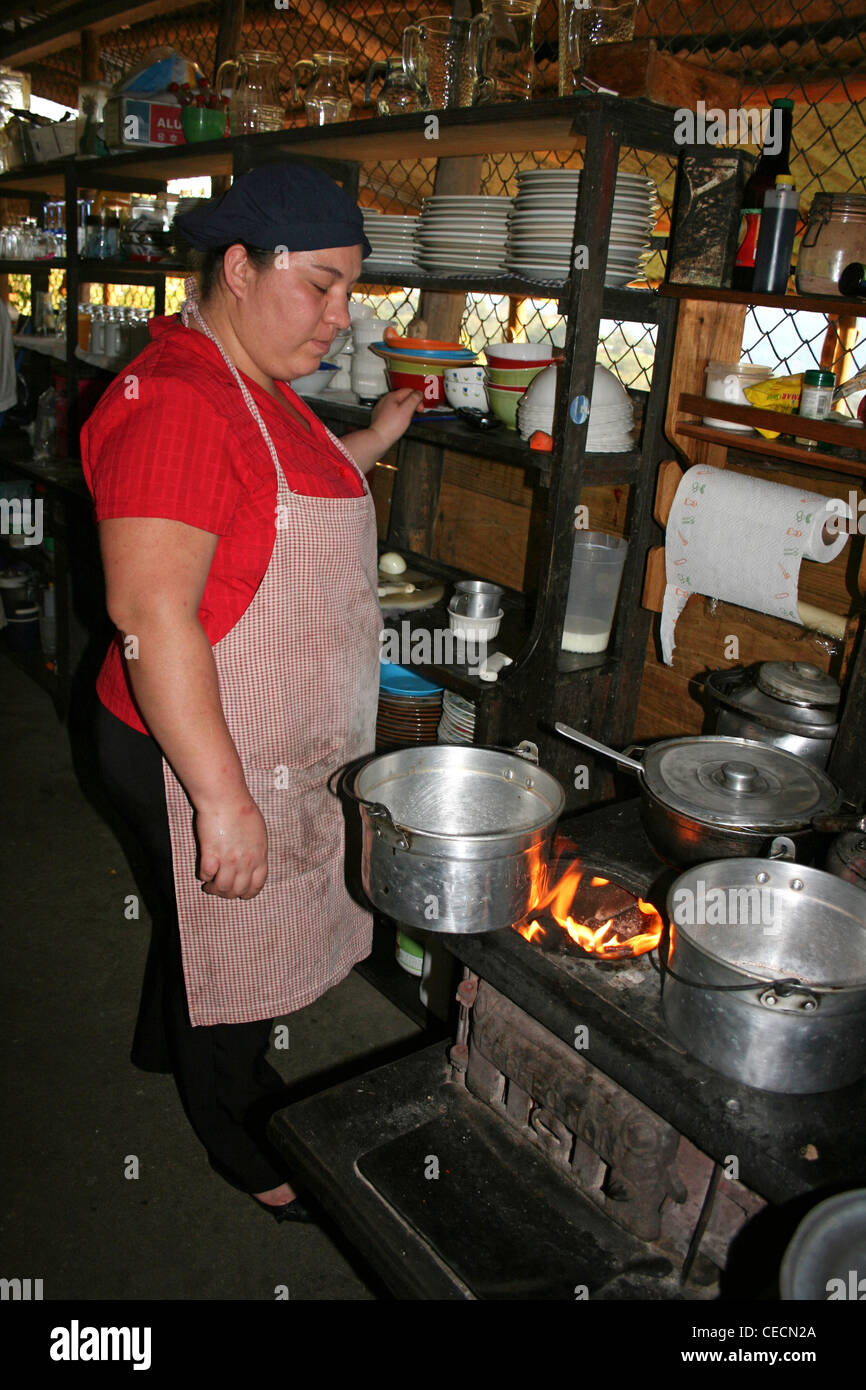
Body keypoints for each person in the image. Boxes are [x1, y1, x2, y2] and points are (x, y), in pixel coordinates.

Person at [80, 164, 422, 1221]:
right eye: (319, 285)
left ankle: (163, 1039)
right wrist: (221, 801)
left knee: (194, 916)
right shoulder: (177, 401)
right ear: (238, 268)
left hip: (244, 730)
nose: (339, 315)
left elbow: (265, 489)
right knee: (233, 944)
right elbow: (151, 613)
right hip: (186, 745)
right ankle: (242, 1142)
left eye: (350, 289)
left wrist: (372, 440)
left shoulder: (247, 382)